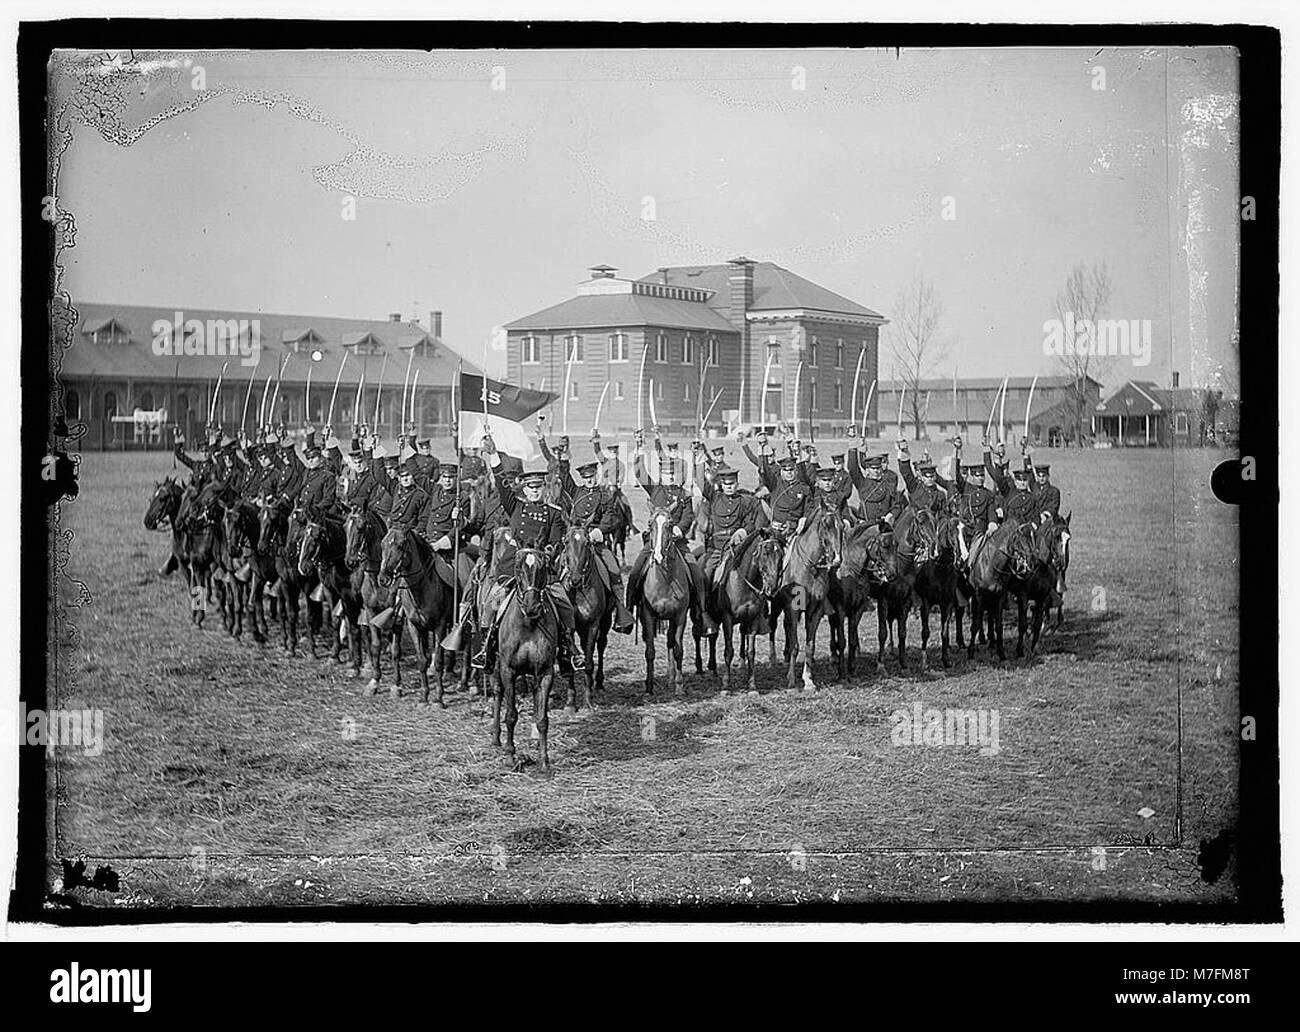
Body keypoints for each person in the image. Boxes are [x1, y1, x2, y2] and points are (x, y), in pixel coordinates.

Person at [471, 433, 585, 675]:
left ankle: (567, 651)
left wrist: (542, 555)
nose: (534, 492)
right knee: (491, 604)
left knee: (565, 606)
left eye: (538, 488)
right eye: (531, 488)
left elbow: (555, 543)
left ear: (543, 489)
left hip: (541, 574)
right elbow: (502, 485)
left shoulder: (553, 513)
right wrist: (493, 456)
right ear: (525, 488)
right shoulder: (516, 506)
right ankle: (486, 649)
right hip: (512, 570)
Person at [561, 445, 635, 633]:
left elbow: (610, 518)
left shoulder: (605, 495)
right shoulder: (576, 492)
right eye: (586, 478)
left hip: (596, 541)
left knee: (613, 569)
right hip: (576, 541)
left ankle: (620, 611)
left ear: (597, 475)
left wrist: (600, 531)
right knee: (554, 566)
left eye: (592, 477)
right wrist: (563, 459)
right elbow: (564, 477)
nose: (589, 481)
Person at [625, 428, 699, 610]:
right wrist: (639, 446)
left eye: (673, 474)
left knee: (698, 574)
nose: (670, 477)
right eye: (667, 474)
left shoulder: (684, 494)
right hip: (653, 544)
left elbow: (689, 515)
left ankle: (702, 612)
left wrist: (679, 529)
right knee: (635, 573)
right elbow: (640, 472)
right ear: (662, 474)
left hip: (678, 544)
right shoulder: (655, 489)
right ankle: (628, 610)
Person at [896, 438, 953, 513]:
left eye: (932, 476)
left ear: (935, 477)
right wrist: (904, 453)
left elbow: (943, 514)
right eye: (927, 477)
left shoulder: (940, 495)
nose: (930, 479)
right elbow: (906, 473)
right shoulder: (915, 488)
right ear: (922, 477)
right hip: (916, 521)